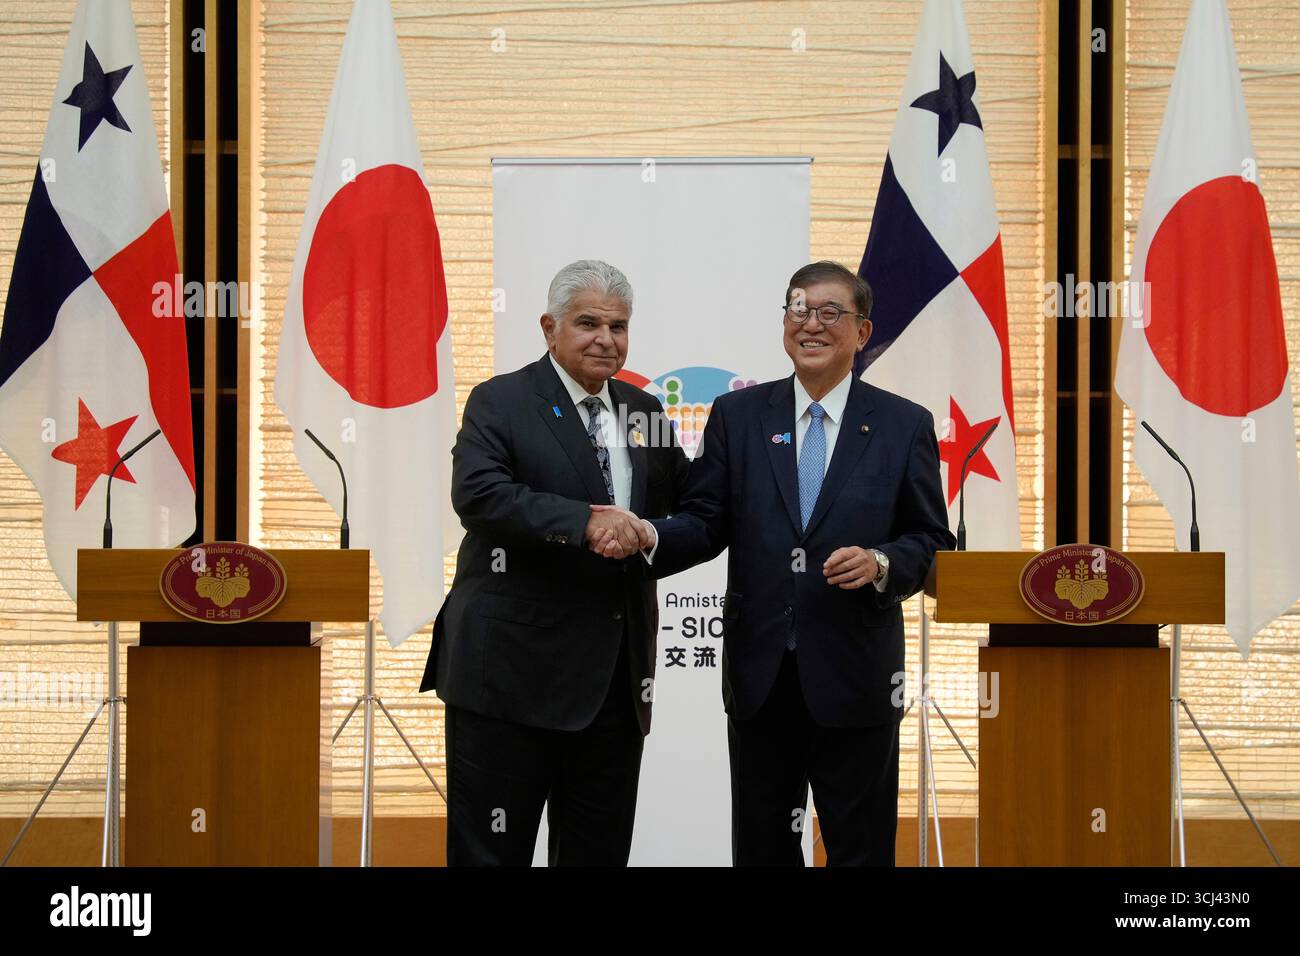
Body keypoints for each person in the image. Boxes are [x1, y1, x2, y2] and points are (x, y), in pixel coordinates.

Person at [596, 260, 955, 865]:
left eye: (829, 312)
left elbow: (931, 539)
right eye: (798, 309)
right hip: (761, 675)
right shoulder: (740, 417)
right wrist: (647, 536)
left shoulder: (903, 425)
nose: (810, 324)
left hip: (858, 676)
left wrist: (882, 562)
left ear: (862, 332)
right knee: (763, 849)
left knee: (861, 849)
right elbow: (706, 520)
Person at [420, 259, 687, 866]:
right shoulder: (502, 400)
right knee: (490, 854)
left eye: (619, 326)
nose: (606, 339)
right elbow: (481, 496)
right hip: (508, 680)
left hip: (615, 688)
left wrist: (648, 533)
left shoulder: (644, 411)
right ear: (549, 327)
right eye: (587, 322)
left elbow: (691, 509)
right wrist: (584, 522)